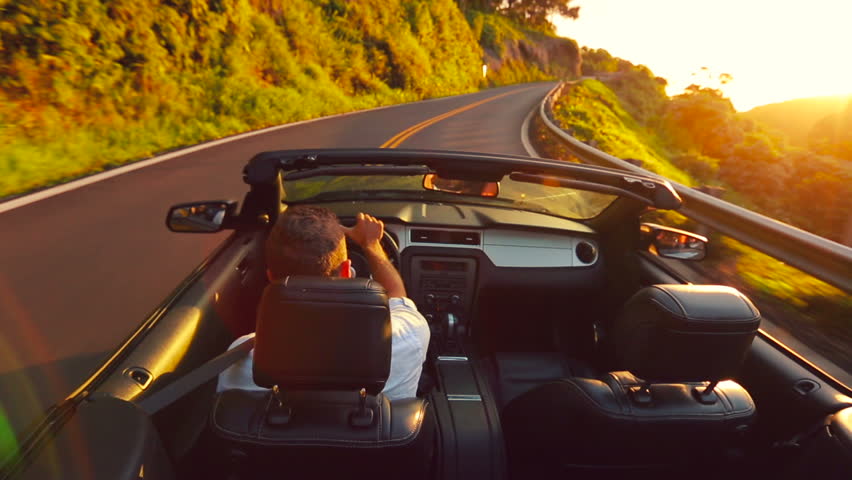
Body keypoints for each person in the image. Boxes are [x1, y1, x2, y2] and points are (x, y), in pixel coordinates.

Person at [217, 206, 430, 400]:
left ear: (271, 277)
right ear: (347, 271)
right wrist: (371, 244)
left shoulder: (241, 358)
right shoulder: (409, 335)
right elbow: (396, 296)